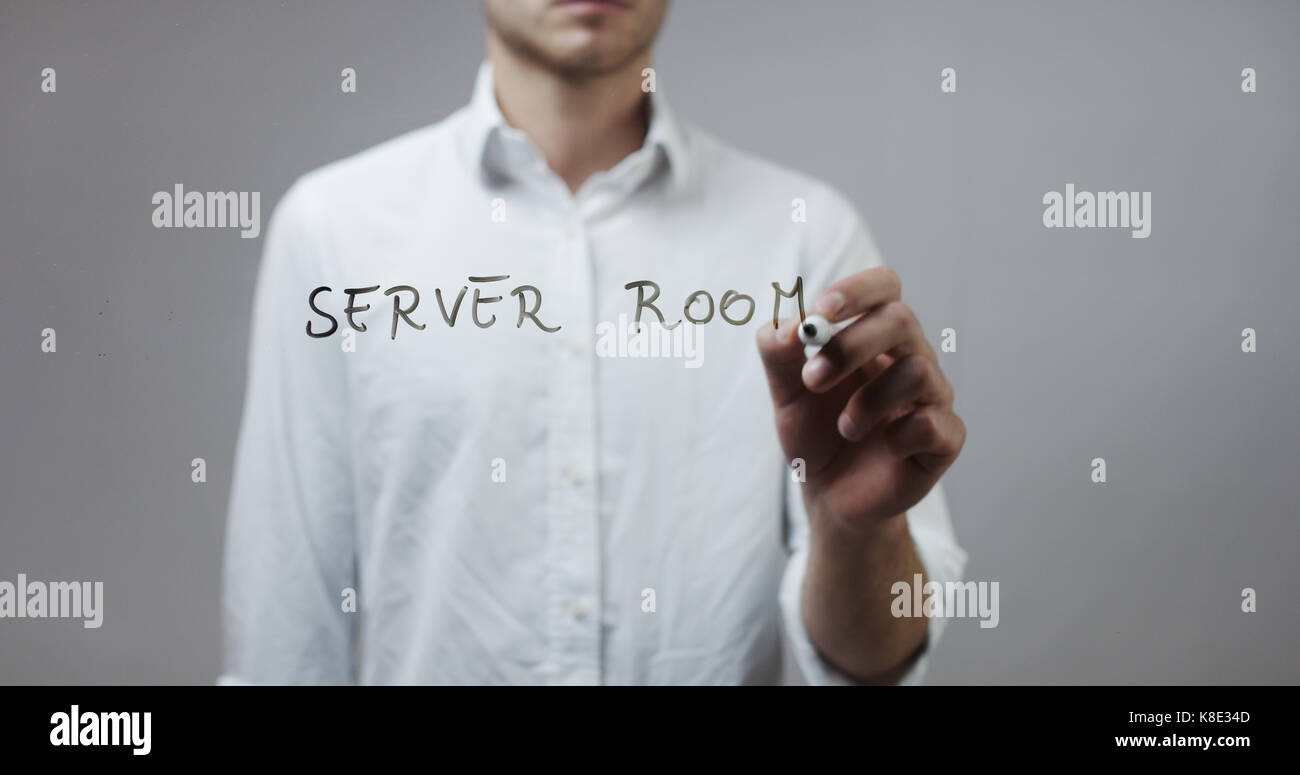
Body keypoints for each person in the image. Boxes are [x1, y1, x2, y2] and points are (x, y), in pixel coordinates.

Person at [220, 0, 967, 685]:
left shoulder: (804, 236)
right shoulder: (332, 232)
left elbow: (880, 664)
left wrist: (852, 533)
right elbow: (284, 639)